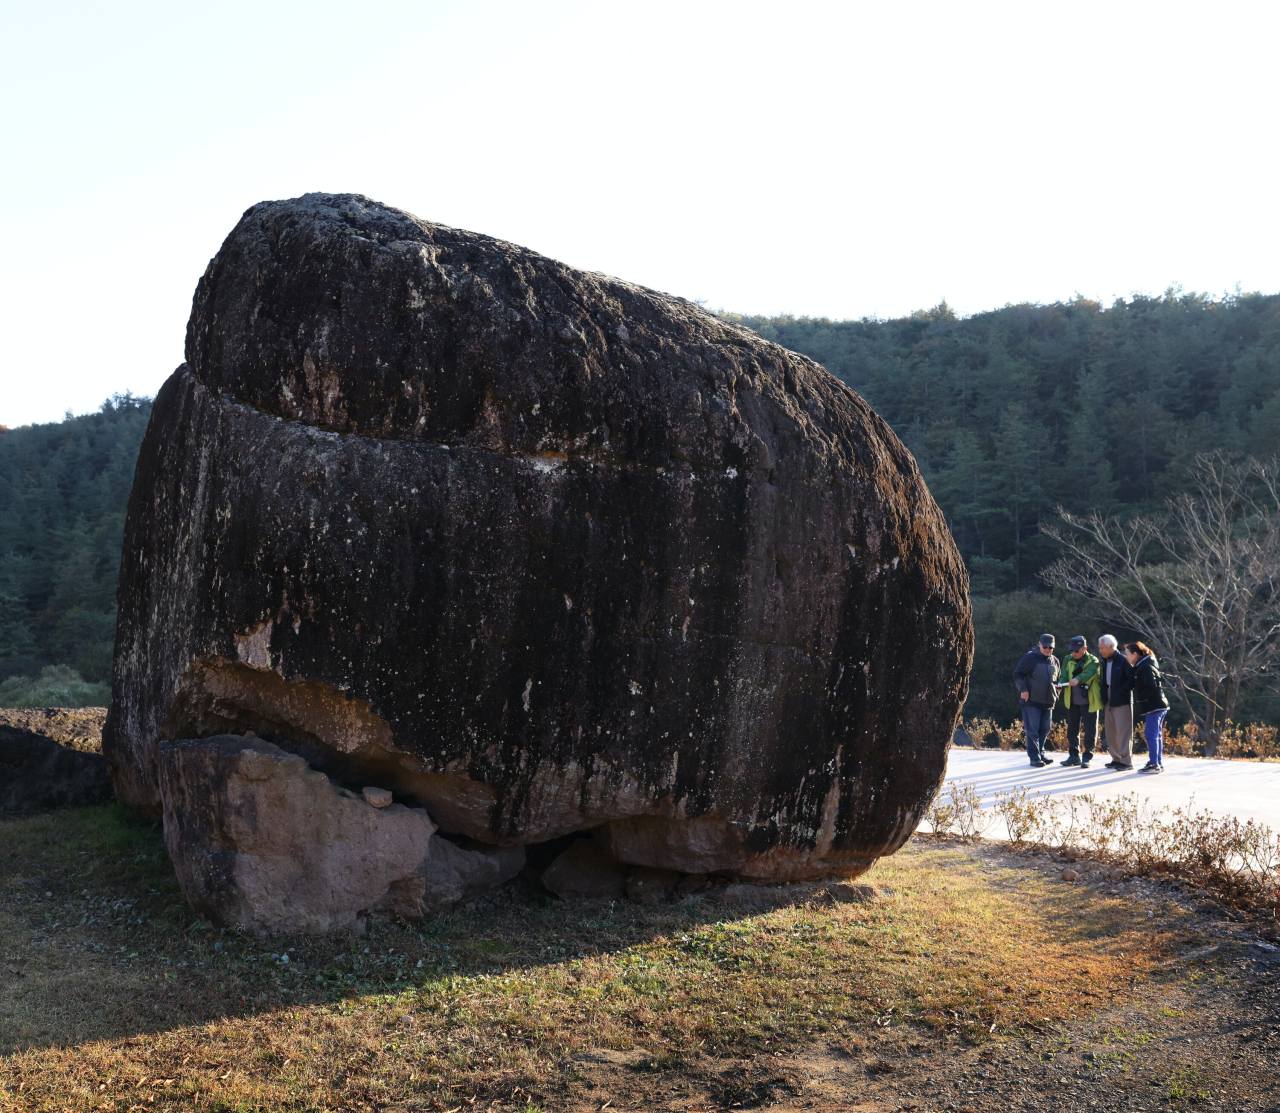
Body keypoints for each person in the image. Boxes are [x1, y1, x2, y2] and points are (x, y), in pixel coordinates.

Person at [1013, 633, 1060, 768]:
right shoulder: (1030, 658)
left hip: (1048, 702)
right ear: (1039, 644)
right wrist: (1023, 689)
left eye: (1050, 647)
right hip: (1031, 701)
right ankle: (1034, 757)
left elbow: (1057, 679)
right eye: (1045, 646)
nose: (1047, 649)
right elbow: (1018, 674)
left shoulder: (1055, 660)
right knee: (1032, 730)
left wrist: (1057, 692)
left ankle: (1041, 753)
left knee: (1045, 729)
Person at [1126, 641, 1171, 773]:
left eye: (1128, 654)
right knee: (1156, 735)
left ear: (1135, 654)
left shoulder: (1144, 667)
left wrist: (1142, 696)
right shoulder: (1145, 663)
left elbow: (1151, 686)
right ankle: (1157, 762)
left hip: (1154, 705)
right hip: (1159, 704)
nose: (1127, 657)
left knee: (1151, 734)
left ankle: (1154, 764)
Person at [1059, 635, 1102, 767]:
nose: (1074, 653)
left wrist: (1078, 679)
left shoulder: (1093, 660)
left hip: (1089, 701)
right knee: (1072, 729)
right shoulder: (1067, 659)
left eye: (1076, 650)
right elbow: (1064, 674)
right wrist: (1061, 683)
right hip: (1072, 701)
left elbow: (1089, 673)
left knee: (1090, 730)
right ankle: (1073, 755)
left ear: (1085, 649)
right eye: (1072, 650)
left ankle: (1087, 757)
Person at [1097, 634, 1135, 771]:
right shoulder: (1104, 661)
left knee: (1123, 731)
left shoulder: (1123, 660)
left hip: (1122, 700)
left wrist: (1121, 691)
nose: (1100, 650)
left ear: (1111, 647)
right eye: (1100, 648)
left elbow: (1132, 679)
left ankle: (1126, 761)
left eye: (1102, 648)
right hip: (1108, 699)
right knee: (1111, 731)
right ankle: (1116, 759)